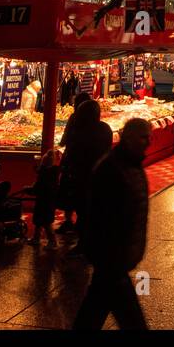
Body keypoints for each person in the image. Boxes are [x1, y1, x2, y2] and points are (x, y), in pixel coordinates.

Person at [73, 118, 153, 330]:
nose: (148, 142)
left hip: (114, 258)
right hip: (112, 256)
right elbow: (103, 215)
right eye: (143, 137)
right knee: (130, 319)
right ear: (128, 137)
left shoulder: (130, 165)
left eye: (149, 137)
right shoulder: (112, 169)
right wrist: (114, 252)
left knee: (94, 310)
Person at [58, 98, 113, 244]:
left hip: (80, 175)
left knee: (81, 205)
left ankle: (83, 240)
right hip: (99, 174)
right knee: (92, 207)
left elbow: (71, 149)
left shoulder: (80, 130)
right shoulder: (105, 129)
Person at [26, 148, 61, 249]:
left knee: (44, 222)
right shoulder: (54, 173)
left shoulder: (44, 174)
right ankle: (36, 238)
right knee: (41, 220)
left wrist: (29, 189)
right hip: (49, 200)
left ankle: (52, 241)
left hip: (43, 200)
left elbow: (38, 187)